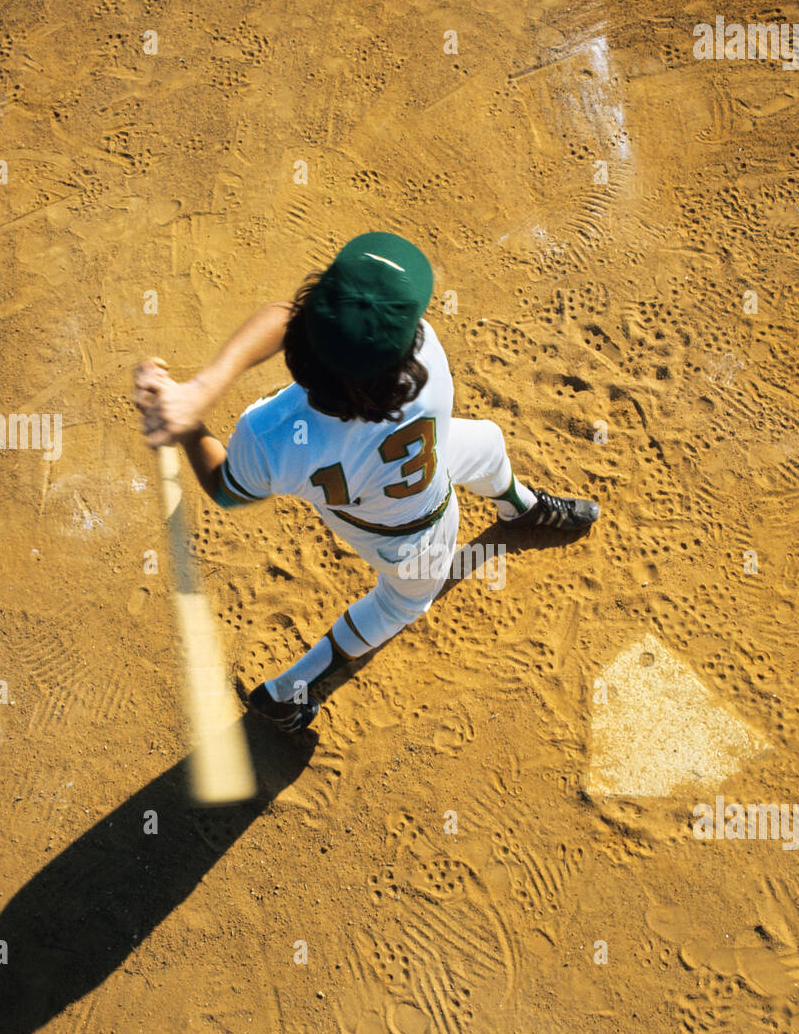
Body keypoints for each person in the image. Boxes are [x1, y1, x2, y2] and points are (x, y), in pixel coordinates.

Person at [133, 231, 598, 732]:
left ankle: (520, 508)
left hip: (367, 508)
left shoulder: (270, 436)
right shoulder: (428, 354)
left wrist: (192, 414)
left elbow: (226, 488)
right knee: (404, 602)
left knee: (486, 442)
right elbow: (297, 316)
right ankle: (293, 688)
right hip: (417, 525)